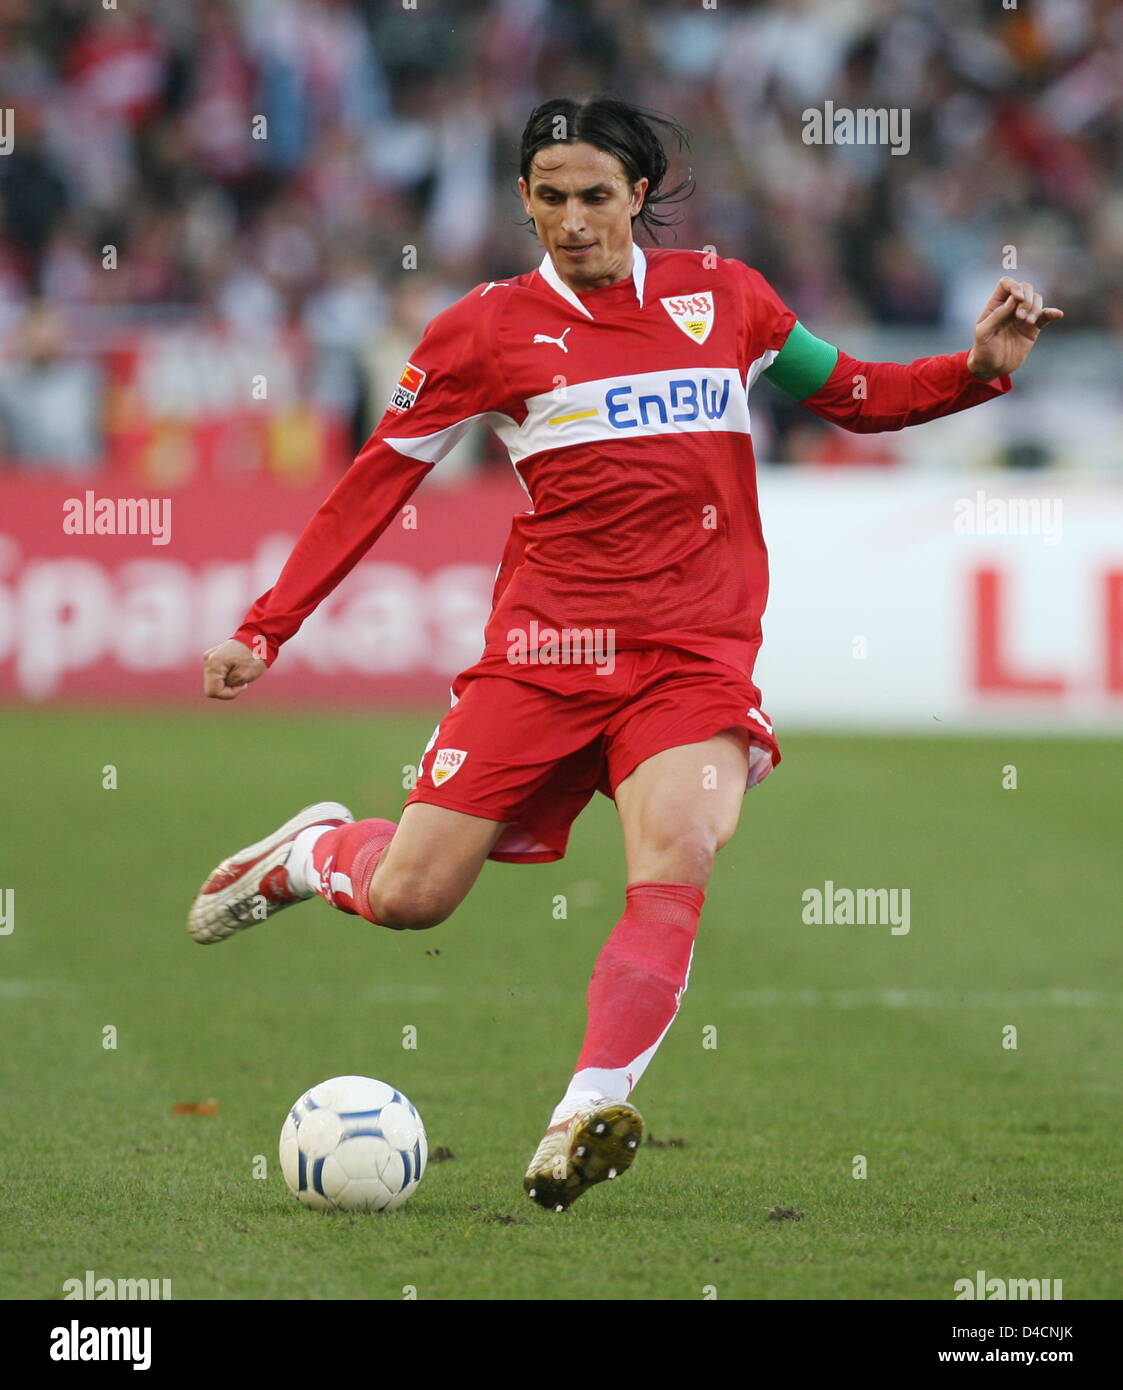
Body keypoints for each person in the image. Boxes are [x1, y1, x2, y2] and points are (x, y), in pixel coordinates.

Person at [188, 96, 1062, 1213]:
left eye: (594, 196)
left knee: (679, 851)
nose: (572, 220)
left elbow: (855, 394)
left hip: (691, 658)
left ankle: (579, 1115)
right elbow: (376, 483)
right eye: (548, 199)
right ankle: (311, 856)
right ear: (523, 201)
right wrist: (267, 625)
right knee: (412, 897)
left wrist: (978, 370)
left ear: (637, 195)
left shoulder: (725, 297)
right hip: (544, 655)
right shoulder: (483, 331)